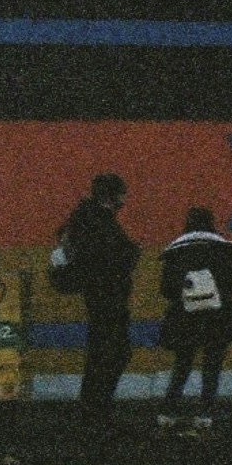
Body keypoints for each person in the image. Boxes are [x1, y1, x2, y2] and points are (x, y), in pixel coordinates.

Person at [53, 172, 143, 425]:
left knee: (102, 352)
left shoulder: (85, 217)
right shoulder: (99, 221)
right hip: (106, 295)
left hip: (98, 294)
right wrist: (132, 253)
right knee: (113, 352)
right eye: (122, 194)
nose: (125, 199)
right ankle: (96, 408)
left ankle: (93, 407)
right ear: (111, 196)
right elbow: (109, 259)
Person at [155, 206, 232, 432]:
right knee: (212, 366)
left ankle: (168, 412)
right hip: (218, 317)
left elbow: (166, 289)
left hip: (184, 317)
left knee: (183, 364)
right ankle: (205, 414)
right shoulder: (223, 249)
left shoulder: (175, 251)